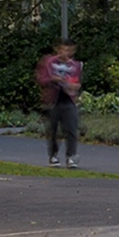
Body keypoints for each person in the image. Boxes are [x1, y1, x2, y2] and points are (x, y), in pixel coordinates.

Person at [37, 39, 84, 167]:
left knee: (71, 129)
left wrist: (74, 86)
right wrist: (53, 78)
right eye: (64, 49)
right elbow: (41, 79)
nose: (67, 52)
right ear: (58, 49)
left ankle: (71, 157)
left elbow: (78, 82)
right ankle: (53, 156)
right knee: (53, 130)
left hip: (68, 99)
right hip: (53, 100)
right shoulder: (49, 62)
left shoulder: (75, 65)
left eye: (70, 50)